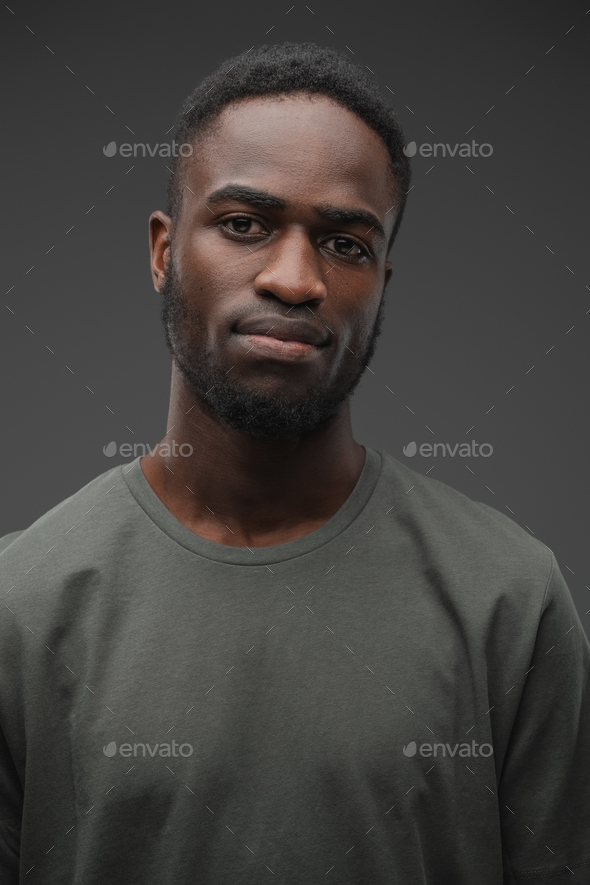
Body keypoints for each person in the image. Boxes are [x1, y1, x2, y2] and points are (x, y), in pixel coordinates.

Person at [0, 41, 588, 885]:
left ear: (384, 279)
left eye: (346, 244)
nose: (294, 278)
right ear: (164, 252)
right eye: (244, 225)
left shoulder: (511, 600)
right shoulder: (19, 608)